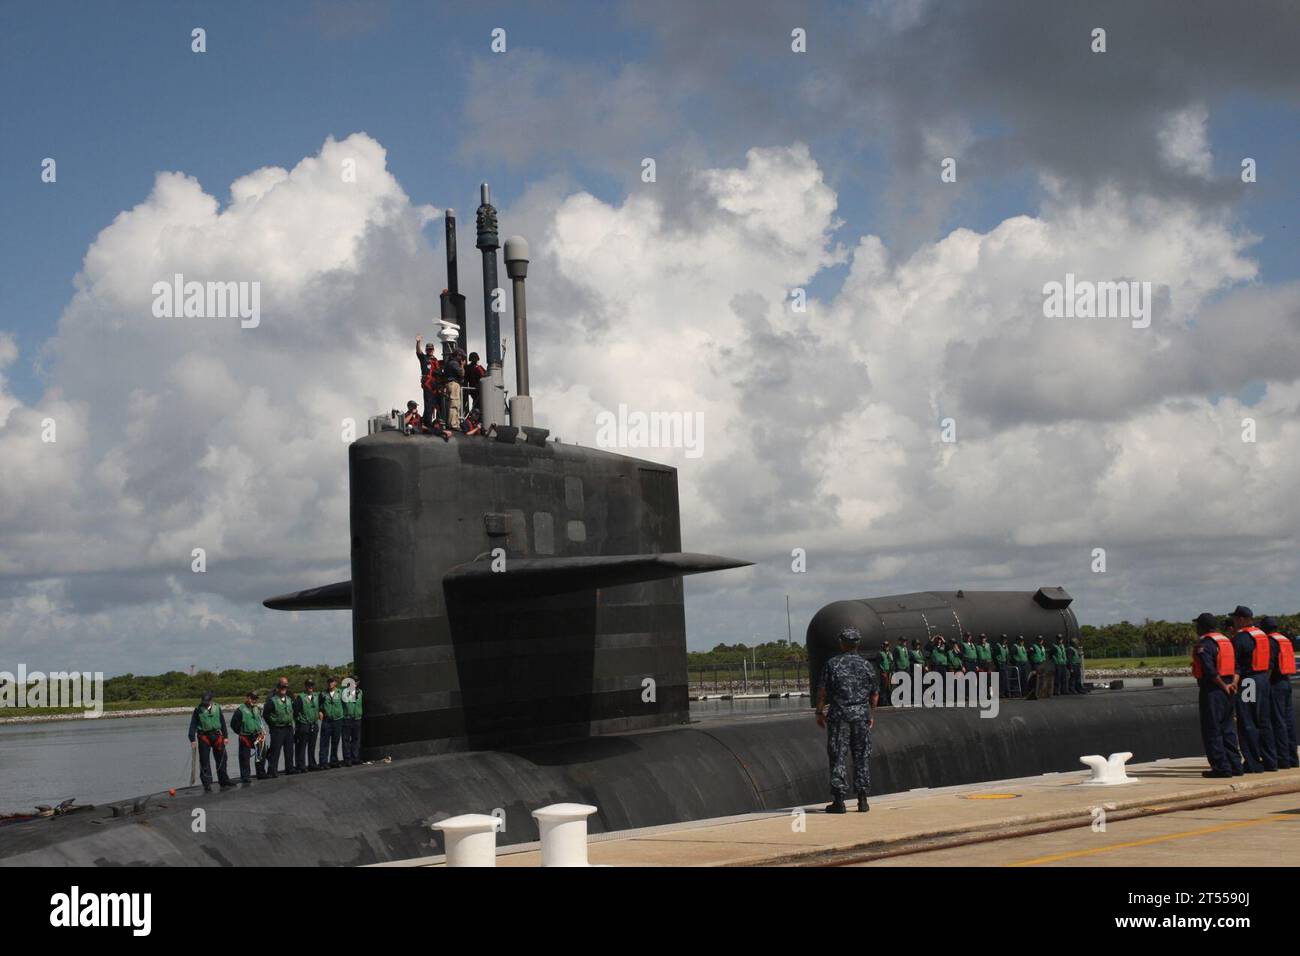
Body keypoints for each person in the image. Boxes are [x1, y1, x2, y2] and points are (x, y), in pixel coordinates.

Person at [815, 627, 879, 813]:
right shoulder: (867, 665)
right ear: (858, 644)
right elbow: (874, 695)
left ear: (842, 643)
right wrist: (871, 715)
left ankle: (839, 801)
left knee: (838, 756)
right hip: (861, 717)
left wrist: (819, 712)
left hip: (839, 717)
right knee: (861, 757)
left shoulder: (832, 664)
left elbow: (822, 691)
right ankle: (862, 800)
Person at [1192, 612, 1243, 778]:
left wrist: (1223, 686)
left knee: (1212, 729)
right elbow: (1237, 667)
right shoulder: (1226, 642)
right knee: (1228, 729)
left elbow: (1209, 671)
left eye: (1197, 625)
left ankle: (1221, 768)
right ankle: (1235, 765)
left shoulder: (1204, 644)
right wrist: (1232, 684)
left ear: (1202, 627)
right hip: (1230, 689)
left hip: (1214, 691)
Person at [1229, 606, 1277, 772]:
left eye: (1235, 619)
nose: (1234, 622)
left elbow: (1235, 664)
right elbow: (1271, 662)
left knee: (1247, 721)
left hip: (1249, 682)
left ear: (1241, 619)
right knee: (1264, 722)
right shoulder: (1262, 636)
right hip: (1263, 679)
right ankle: (1271, 761)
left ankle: (1253, 762)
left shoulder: (1241, 638)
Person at [1261, 617, 1298, 768]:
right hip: (1286, 682)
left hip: (1275, 683)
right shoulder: (1285, 639)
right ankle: (1292, 757)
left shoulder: (1270, 642)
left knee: (1278, 722)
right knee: (1288, 722)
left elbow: (1269, 666)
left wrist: (1263, 684)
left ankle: (1282, 758)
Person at [188, 691, 234, 792]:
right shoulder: (197, 710)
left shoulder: (217, 708)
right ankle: (207, 783)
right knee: (204, 761)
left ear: (211, 700)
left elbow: (222, 722)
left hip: (217, 736)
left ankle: (224, 780)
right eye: (203, 701)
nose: (205, 703)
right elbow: (193, 725)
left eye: (207, 701)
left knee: (222, 759)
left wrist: (225, 736)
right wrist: (192, 739)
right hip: (204, 737)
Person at [262, 677, 298, 777]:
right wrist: (272, 725)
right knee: (275, 751)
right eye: (282, 687)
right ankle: (272, 771)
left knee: (289, 750)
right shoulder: (272, 700)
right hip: (277, 729)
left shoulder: (289, 699)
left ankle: (289, 768)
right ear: (278, 688)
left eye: (285, 687)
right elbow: (265, 714)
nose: (283, 689)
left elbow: (294, 712)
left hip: (288, 728)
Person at [230, 691, 267, 785]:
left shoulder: (257, 709)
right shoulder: (240, 710)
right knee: (244, 757)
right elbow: (233, 725)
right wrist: (240, 733)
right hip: (245, 736)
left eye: (255, 699)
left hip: (257, 735)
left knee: (260, 755)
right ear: (247, 698)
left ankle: (261, 773)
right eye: (252, 698)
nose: (253, 700)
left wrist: (262, 731)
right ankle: (245, 776)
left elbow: (260, 720)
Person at [293, 678, 322, 773]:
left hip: (314, 724)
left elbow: (320, 707)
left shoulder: (316, 696)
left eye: (311, 685)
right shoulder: (300, 697)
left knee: (312, 746)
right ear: (305, 686)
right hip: (304, 725)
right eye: (308, 685)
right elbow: (295, 713)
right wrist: (299, 724)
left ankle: (312, 764)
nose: (310, 687)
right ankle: (301, 765)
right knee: (301, 746)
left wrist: (321, 712)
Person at [319, 675, 346, 769]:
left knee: (335, 742)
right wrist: (320, 712)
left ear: (335, 683)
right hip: (327, 721)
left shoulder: (341, 692)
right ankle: (323, 762)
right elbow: (319, 705)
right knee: (324, 743)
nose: (330, 683)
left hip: (337, 721)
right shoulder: (323, 694)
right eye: (329, 682)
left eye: (332, 682)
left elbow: (345, 704)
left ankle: (334, 761)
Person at [416, 336, 441, 429]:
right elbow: (419, 352)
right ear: (426, 350)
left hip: (435, 385)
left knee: (436, 404)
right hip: (428, 384)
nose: (430, 351)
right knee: (428, 404)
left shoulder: (436, 360)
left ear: (433, 350)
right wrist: (418, 342)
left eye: (431, 349)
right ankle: (427, 423)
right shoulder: (424, 358)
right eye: (428, 349)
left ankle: (436, 422)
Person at [342, 675, 364, 766]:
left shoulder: (360, 692)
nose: (354, 683)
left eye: (356, 681)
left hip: (357, 719)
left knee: (356, 739)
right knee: (346, 740)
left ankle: (355, 758)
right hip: (347, 718)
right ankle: (348, 759)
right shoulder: (345, 692)